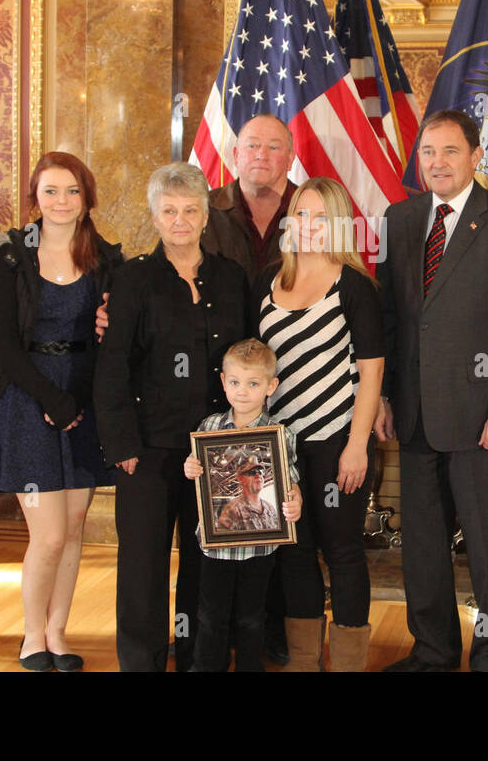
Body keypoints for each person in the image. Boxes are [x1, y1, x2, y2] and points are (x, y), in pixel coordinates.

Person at [374, 109, 488, 672]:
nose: (437, 163)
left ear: (475, 156)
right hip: (417, 416)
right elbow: (392, 321)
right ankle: (433, 652)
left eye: (450, 151)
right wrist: (383, 398)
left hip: (483, 422)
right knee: (422, 548)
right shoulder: (400, 221)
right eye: (428, 152)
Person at [94, 162, 250, 672]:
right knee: (143, 566)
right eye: (169, 211)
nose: (180, 221)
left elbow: (249, 357)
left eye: (190, 210)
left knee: (207, 566)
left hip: (217, 448)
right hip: (149, 448)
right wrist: (122, 447)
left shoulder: (230, 278)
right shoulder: (134, 278)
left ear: (206, 215)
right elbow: (112, 366)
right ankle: (141, 662)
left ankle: (198, 660)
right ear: (155, 217)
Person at [0, 151, 123, 672]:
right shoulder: (11, 256)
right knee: (49, 534)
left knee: (75, 524)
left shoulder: (106, 257)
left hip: (84, 396)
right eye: (50, 191)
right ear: (35, 198)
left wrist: (79, 393)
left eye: (72, 192)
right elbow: (3, 343)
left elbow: (110, 336)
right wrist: (51, 400)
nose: (61, 202)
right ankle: (32, 637)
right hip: (30, 399)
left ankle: (59, 633)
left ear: (86, 199)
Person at [257, 176, 385, 672]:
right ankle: (305, 659)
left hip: (337, 442)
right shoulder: (268, 282)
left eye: (319, 217)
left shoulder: (354, 285)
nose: (308, 227)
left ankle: (349, 661)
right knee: (295, 552)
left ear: (337, 224)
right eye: (300, 215)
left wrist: (357, 445)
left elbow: (372, 372)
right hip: (282, 446)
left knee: (343, 551)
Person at [183, 339, 301, 672]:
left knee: (251, 617)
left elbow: (290, 484)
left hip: (259, 547)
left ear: (270, 386)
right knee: (210, 615)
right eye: (234, 382)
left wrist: (295, 504)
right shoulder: (209, 427)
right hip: (215, 546)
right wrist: (190, 468)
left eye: (253, 384)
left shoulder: (279, 435)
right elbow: (197, 470)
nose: (242, 391)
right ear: (223, 381)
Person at [202, 113, 298, 285]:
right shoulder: (201, 209)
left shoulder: (319, 211)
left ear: (290, 159)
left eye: (274, 147)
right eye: (252, 145)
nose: (261, 155)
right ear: (236, 156)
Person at [216, 455, 280, 531]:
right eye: (251, 472)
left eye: (260, 472)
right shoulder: (232, 511)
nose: (258, 475)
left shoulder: (270, 508)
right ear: (240, 478)